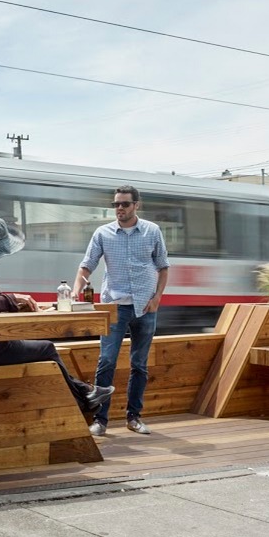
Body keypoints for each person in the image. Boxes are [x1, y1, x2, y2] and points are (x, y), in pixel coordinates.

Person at [0, 216, 111, 423]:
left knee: (44, 349)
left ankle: (86, 393)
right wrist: (13, 299)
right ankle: (84, 398)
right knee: (47, 349)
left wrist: (13, 302)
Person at [73, 184, 169, 436]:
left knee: (140, 364)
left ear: (136, 205)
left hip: (145, 306)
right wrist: (75, 289)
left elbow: (163, 266)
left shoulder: (152, 231)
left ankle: (133, 417)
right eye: (116, 204)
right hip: (114, 306)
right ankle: (100, 421)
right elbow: (86, 266)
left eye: (125, 204)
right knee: (106, 361)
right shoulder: (103, 233)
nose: (119, 208)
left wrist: (158, 297)